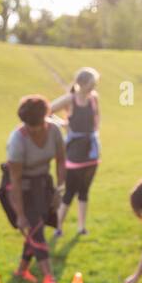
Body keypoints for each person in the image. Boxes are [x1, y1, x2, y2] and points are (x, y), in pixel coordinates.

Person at [5, 95, 66, 283]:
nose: (33, 130)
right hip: (19, 188)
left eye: (37, 125)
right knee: (34, 227)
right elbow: (14, 181)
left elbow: (61, 160)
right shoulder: (17, 140)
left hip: (42, 185)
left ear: (46, 117)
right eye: (29, 126)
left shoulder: (55, 130)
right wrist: (20, 215)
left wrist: (59, 189)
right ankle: (49, 277)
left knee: (36, 226)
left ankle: (22, 270)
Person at [50, 67, 101, 240]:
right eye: (92, 83)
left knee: (84, 191)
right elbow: (48, 110)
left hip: (92, 152)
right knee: (70, 191)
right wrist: (63, 124)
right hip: (74, 152)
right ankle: (58, 227)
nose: (94, 86)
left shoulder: (94, 99)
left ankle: (81, 227)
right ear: (82, 84)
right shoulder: (70, 99)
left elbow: (96, 121)